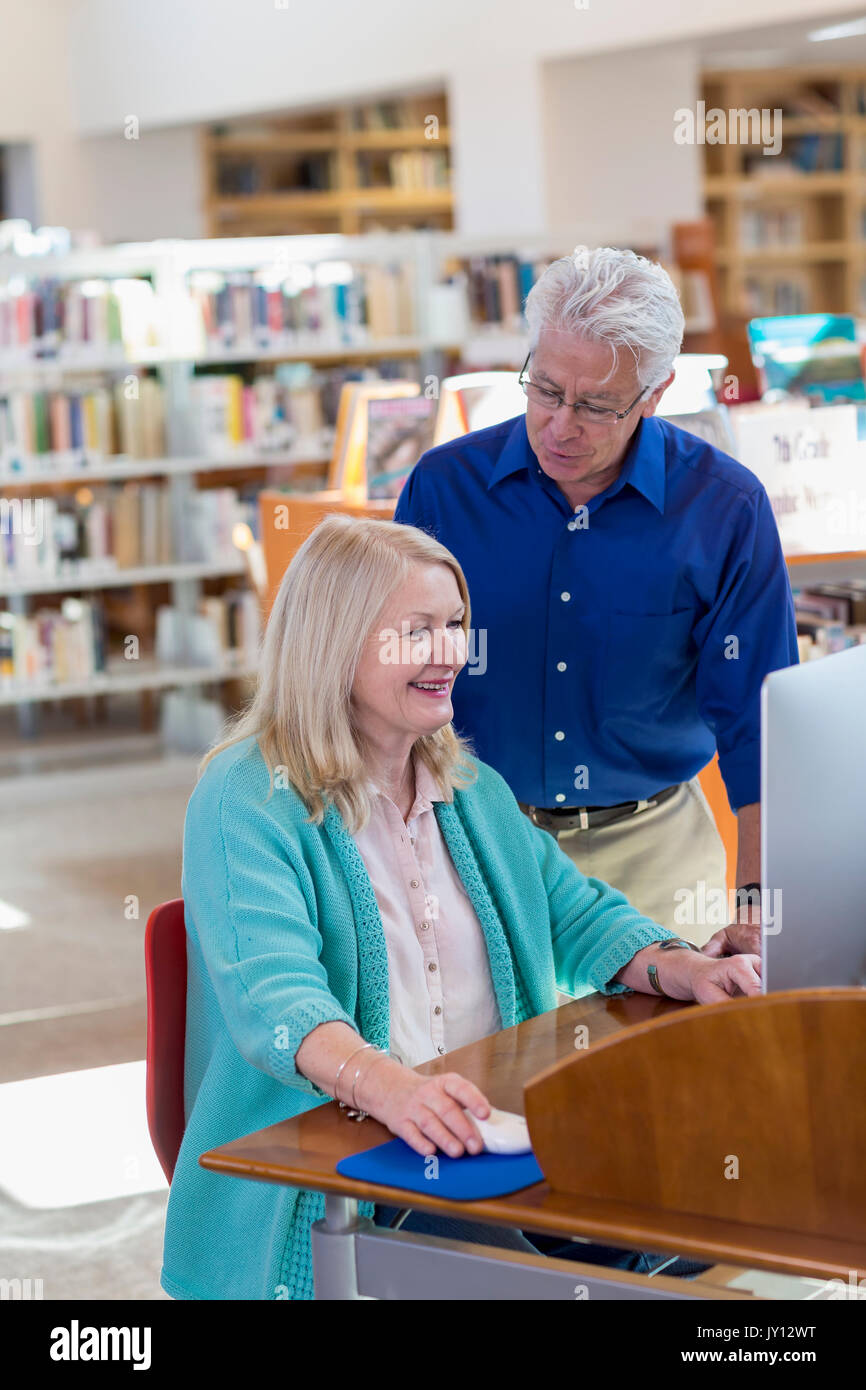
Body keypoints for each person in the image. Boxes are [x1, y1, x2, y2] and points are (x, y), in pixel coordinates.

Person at [160, 515, 760, 1302]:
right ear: (335, 642)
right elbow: (277, 1004)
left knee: (698, 1223)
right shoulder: (246, 799)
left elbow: (569, 907)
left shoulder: (467, 784)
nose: (451, 652)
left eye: (455, 626)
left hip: (481, 1134)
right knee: (560, 1285)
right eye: (417, 631)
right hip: (341, 1173)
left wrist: (671, 965)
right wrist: (393, 1088)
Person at [394, 245, 799, 954]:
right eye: (545, 389)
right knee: (485, 1063)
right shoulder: (442, 489)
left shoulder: (725, 509)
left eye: (596, 405)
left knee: (663, 1063)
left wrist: (759, 904)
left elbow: (759, 725)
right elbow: (383, 679)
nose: (560, 424)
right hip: (473, 842)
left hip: (657, 853)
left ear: (655, 394)